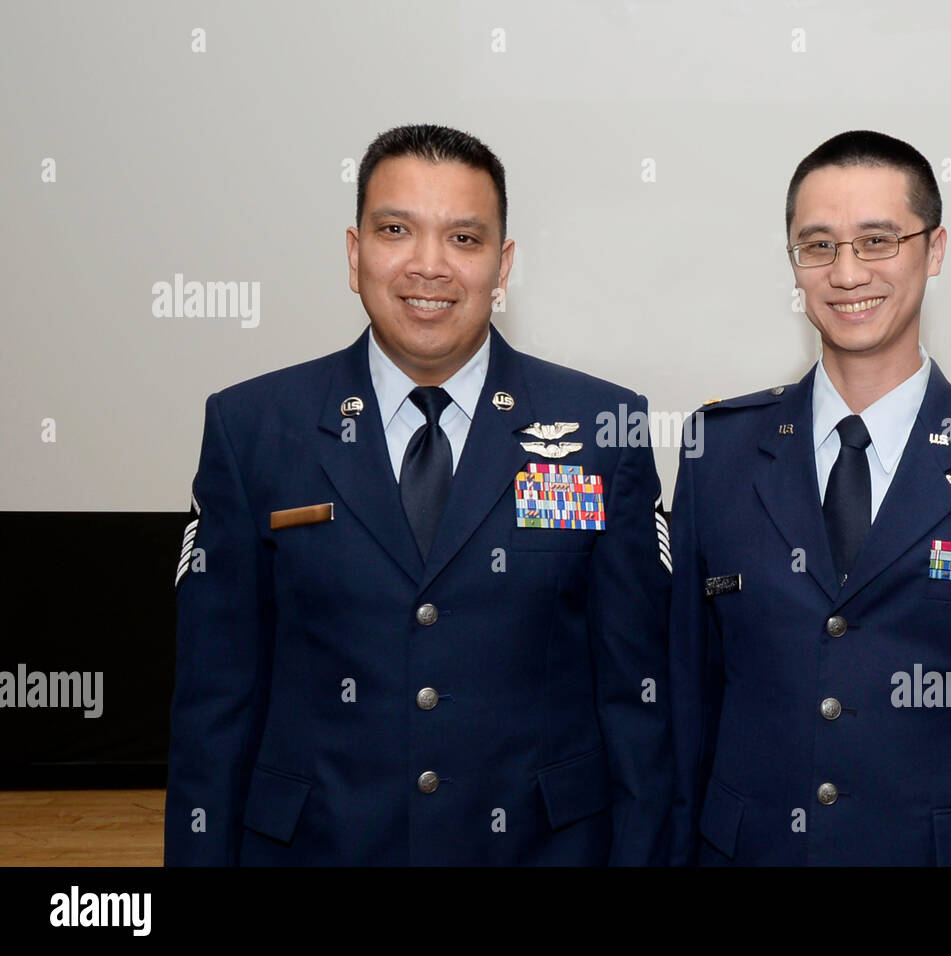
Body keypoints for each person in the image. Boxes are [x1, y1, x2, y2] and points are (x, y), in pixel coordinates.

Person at [164, 124, 672, 865]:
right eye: (396, 230)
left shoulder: (601, 430)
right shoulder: (252, 428)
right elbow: (215, 705)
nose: (428, 266)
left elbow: (637, 704)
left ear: (503, 267)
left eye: (464, 239)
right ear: (353, 253)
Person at [668, 130, 951, 866]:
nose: (847, 272)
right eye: (817, 245)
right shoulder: (716, 451)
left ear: (934, 249)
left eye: (877, 240)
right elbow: (690, 703)